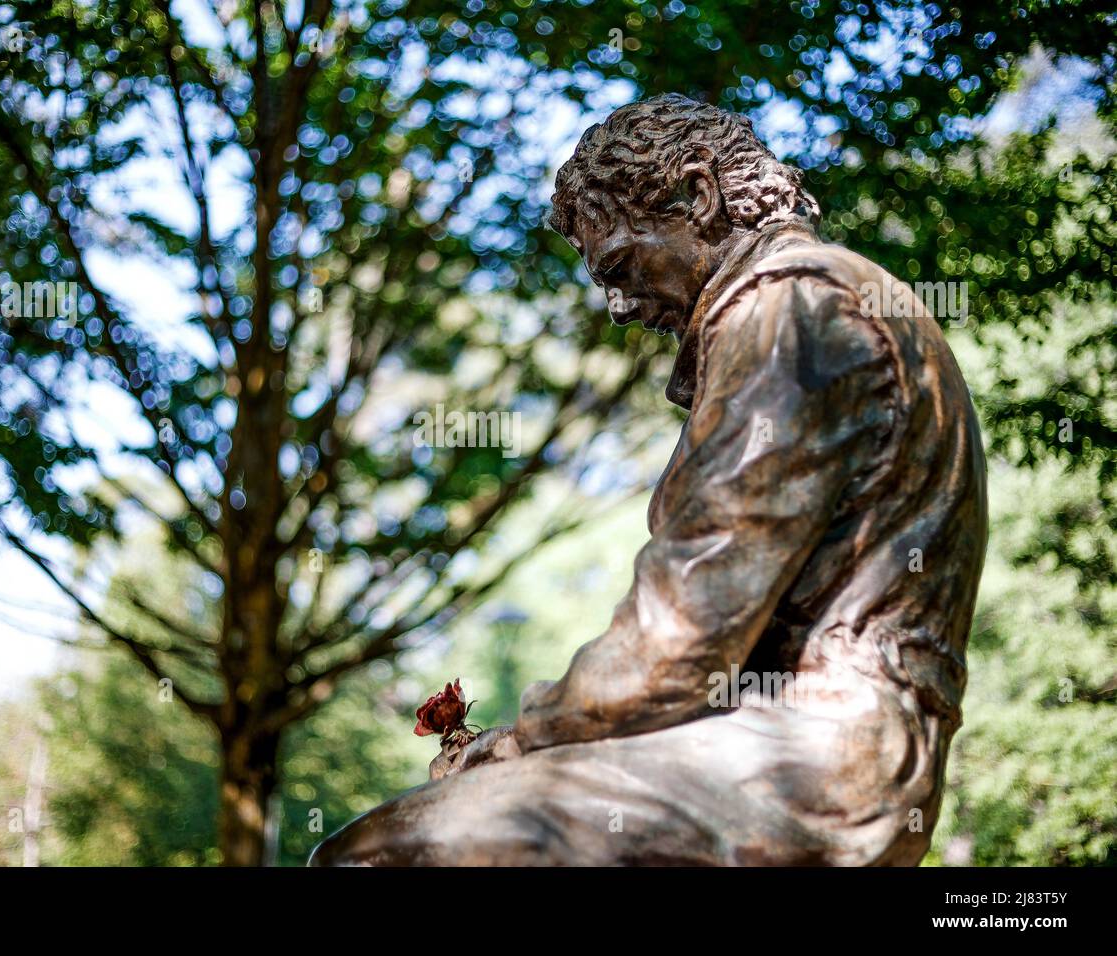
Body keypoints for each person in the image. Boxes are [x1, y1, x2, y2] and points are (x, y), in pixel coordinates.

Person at [311, 94, 988, 866]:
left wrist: (521, 740)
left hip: (819, 749)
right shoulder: (818, 298)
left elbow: (686, 635)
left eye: (623, 268)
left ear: (699, 198)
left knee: (386, 851)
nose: (620, 308)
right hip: (800, 732)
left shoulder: (792, 306)